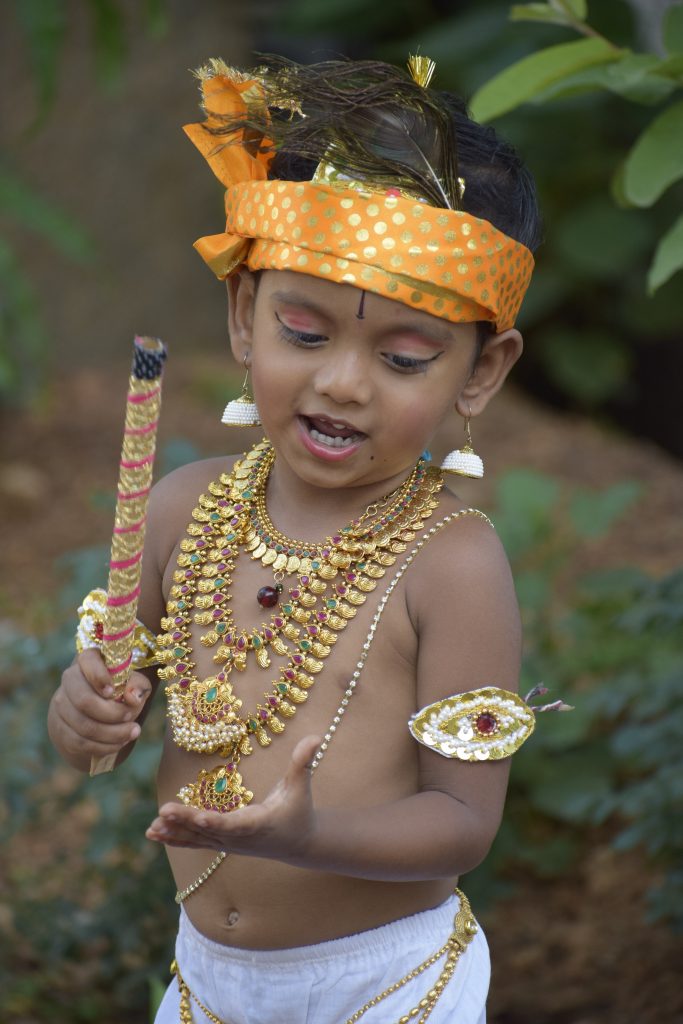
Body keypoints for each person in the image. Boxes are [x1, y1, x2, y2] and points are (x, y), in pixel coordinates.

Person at [48, 54, 544, 1024]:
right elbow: (102, 720)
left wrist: (305, 836)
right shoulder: (179, 510)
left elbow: (461, 823)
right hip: (206, 984)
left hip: (389, 988)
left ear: (479, 373)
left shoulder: (450, 564)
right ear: (245, 316)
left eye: (403, 356)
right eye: (305, 334)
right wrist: (86, 715)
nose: (341, 383)